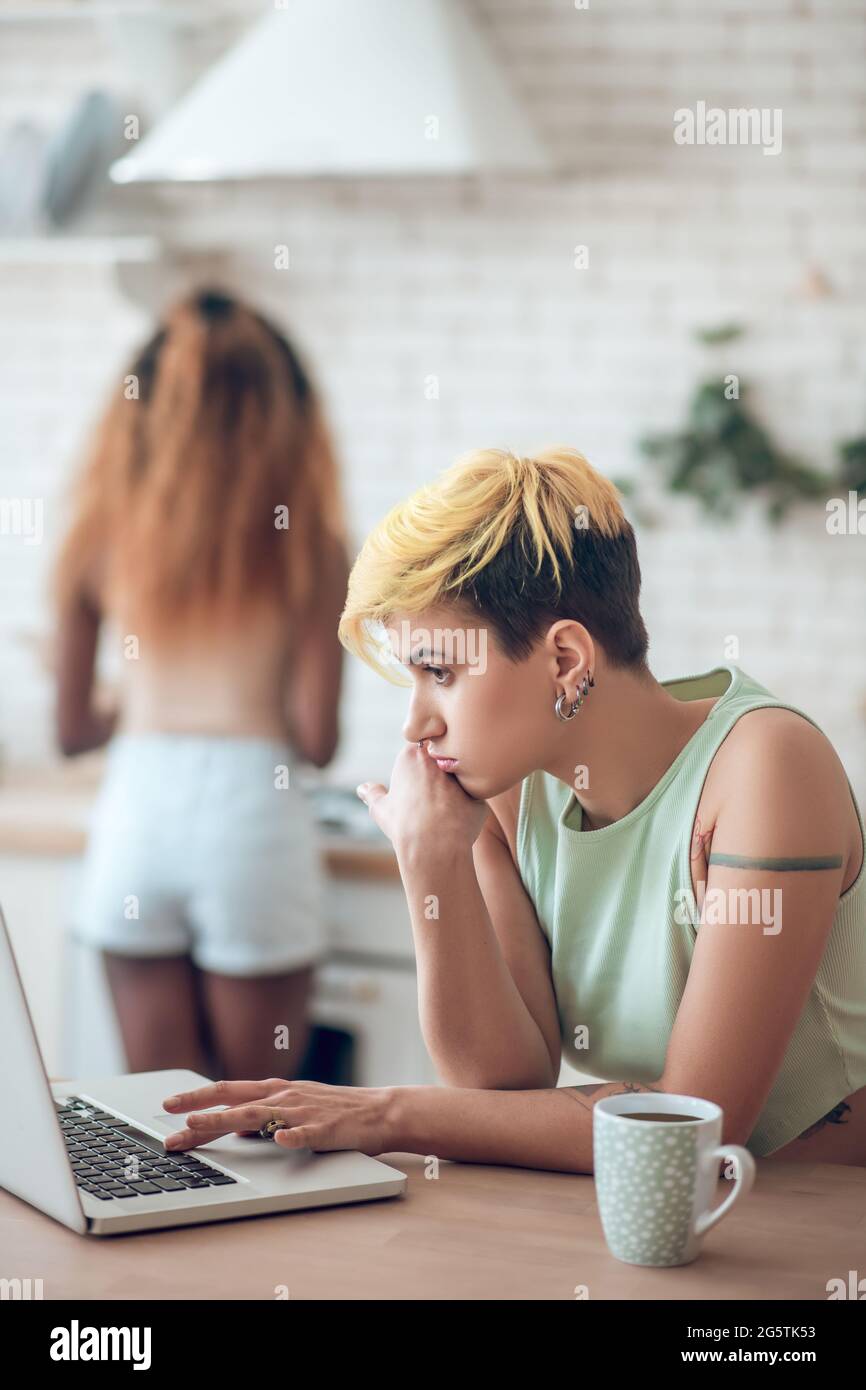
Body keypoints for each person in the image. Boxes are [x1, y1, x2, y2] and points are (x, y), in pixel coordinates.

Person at [156, 445, 866, 1173]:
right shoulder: (513, 787)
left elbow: (689, 1127)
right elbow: (502, 1084)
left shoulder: (768, 772)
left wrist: (380, 1112)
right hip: (665, 1225)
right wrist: (433, 864)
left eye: (441, 671)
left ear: (564, 660)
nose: (415, 723)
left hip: (814, 1232)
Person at [51, 287, 350, 1085]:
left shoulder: (99, 541)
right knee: (264, 1116)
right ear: (280, 416)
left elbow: (72, 732)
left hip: (136, 821)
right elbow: (315, 740)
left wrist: (133, 699)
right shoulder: (311, 548)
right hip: (254, 818)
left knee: (162, 1118)